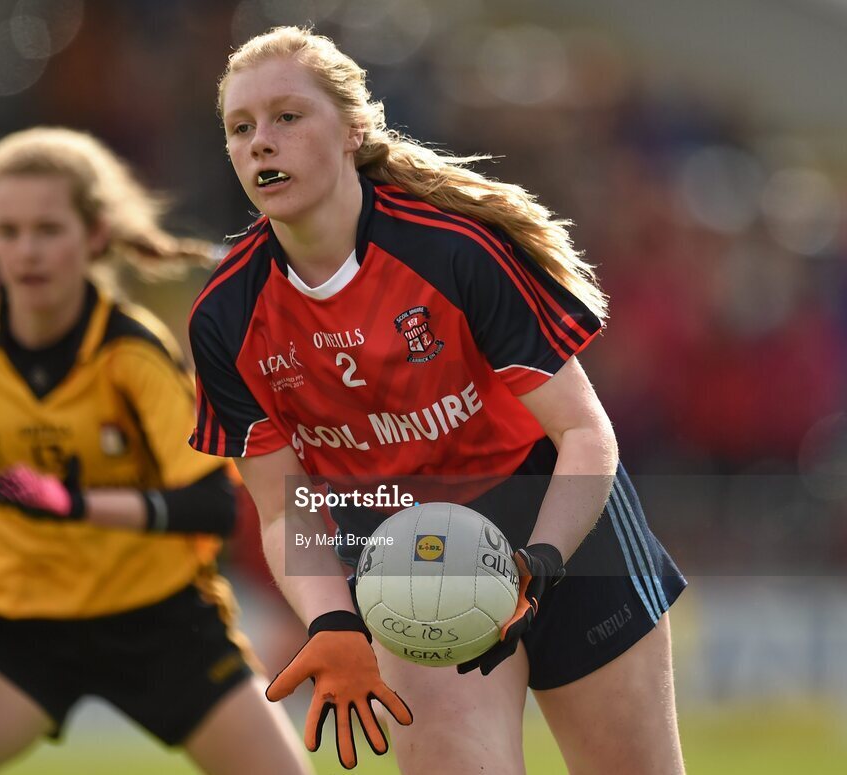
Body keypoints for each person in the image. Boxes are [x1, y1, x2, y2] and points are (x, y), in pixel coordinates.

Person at [189, 26, 687, 774]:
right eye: (241, 127)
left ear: (354, 131)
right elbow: (286, 508)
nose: (261, 141)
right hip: (408, 554)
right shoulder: (226, 317)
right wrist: (331, 622)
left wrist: (539, 562)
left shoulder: (453, 252)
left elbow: (585, 433)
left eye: (287, 116)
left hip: (561, 523)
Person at [0, 127, 310, 775]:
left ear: (95, 236)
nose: (27, 250)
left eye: (48, 230)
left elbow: (212, 504)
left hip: (164, 626)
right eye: (9, 230)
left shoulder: (134, 352)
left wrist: (71, 503)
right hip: (20, 635)